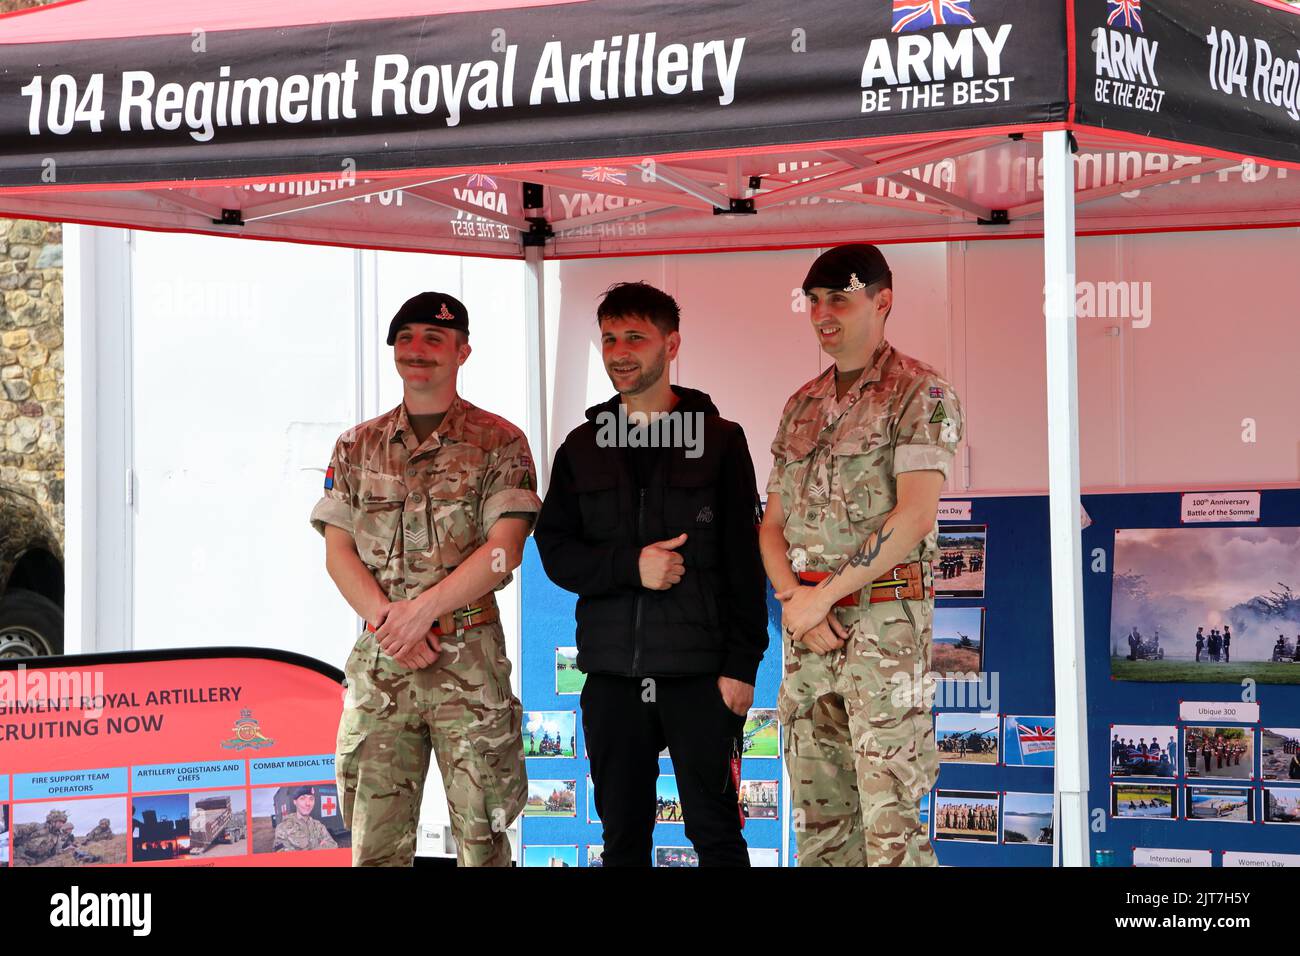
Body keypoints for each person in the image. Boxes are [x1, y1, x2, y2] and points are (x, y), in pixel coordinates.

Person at [534, 281, 768, 867]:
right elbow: (556, 551)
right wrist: (630, 568)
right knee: (623, 840)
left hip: (700, 678)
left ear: (673, 343)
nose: (619, 352)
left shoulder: (719, 441)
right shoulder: (580, 447)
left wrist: (742, 667)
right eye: (609, 338)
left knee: (716, 835)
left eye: (635, 337)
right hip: (612, 680)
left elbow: (746, 561)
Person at [311, 292, 541, 867]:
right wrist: (391, 625)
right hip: (383, 661)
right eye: (407, 338)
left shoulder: (499, 442)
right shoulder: (356, 446)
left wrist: (420, 614)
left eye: (435, 340)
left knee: (483, 842)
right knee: (374, 844)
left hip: (469, 660)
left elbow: (504, 549)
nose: (419, 352)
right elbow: (338, 549)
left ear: (462, 351)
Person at [759, 244, 963, 867]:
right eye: (814, 301)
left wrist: (821, 597)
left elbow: (914, 516)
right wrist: (798, 601)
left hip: (882, 628)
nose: (823, 314)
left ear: (883, 301)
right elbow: (770, 527)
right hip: (807, 633)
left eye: (839, 299)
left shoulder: (919, 392)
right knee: (819, 826)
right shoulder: (801, 403)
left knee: (890, 826)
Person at [273, 787, 338, 852]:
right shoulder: (282, 828)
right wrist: (320, 847)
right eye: (302, 798)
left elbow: (334, 845)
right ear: (295, 802)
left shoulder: (319, 826)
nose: (308, 803)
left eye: (311, 799)